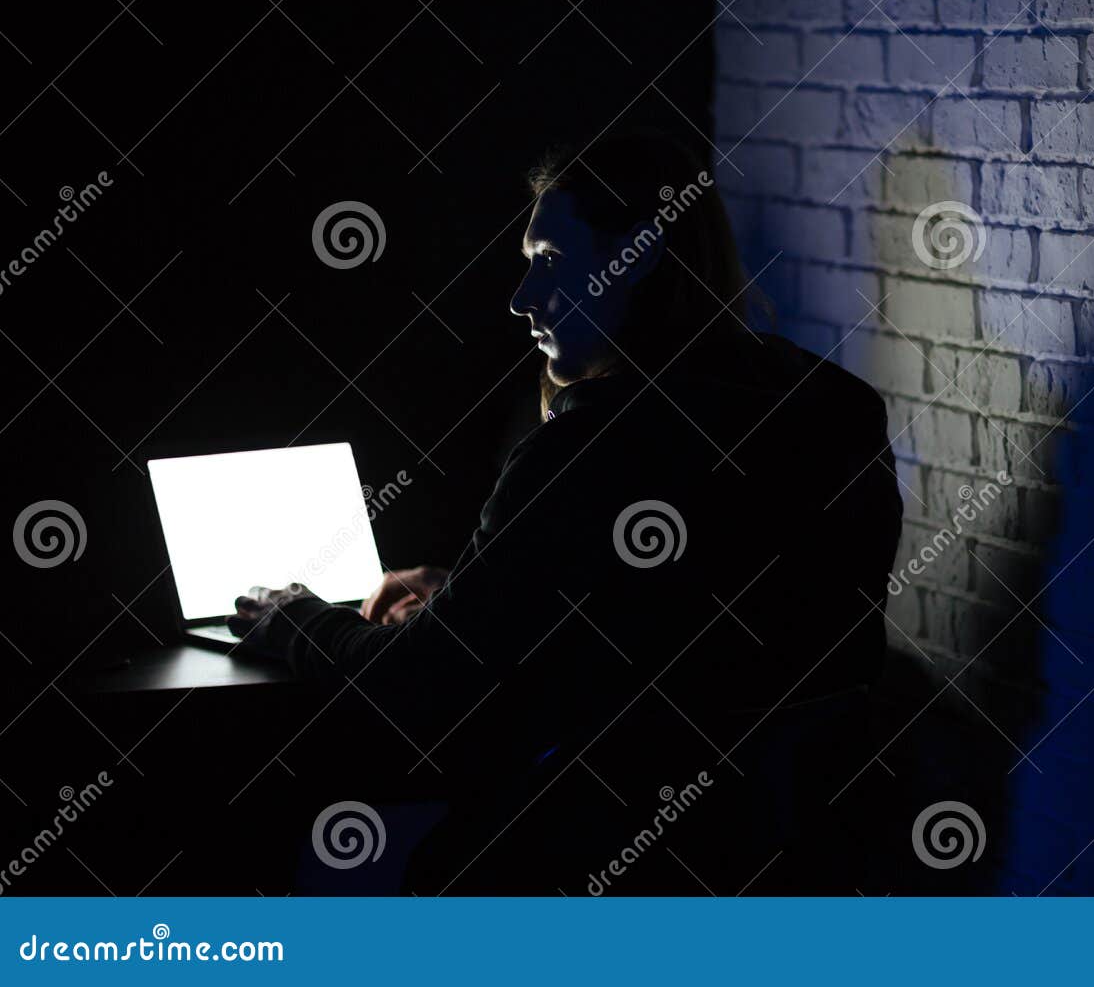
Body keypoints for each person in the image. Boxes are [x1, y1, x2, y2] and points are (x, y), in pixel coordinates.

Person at [230, 130, 903, 893]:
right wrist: (472, 587)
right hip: (812, 854)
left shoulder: (592, 443)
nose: (522, 300)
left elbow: (418, 687)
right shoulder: (833, 404)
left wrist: (295, 616)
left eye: (549, 262)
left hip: (618, 865)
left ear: (640, 253)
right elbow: (697, 608)